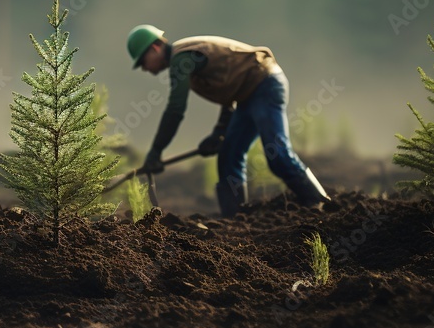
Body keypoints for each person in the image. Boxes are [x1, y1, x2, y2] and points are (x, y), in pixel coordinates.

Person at [126, 24, 329, 217]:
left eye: (143, 62)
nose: (144, 68)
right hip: (247, 96)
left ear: (155, 48)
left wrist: (156, 151)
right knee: (228, 157)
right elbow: (228, 91)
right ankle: (236, 220)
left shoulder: (182, 60)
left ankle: (320, 204)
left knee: (277, 154)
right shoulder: (185, 58)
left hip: (265, 85)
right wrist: (218, 134)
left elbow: (175, 110)